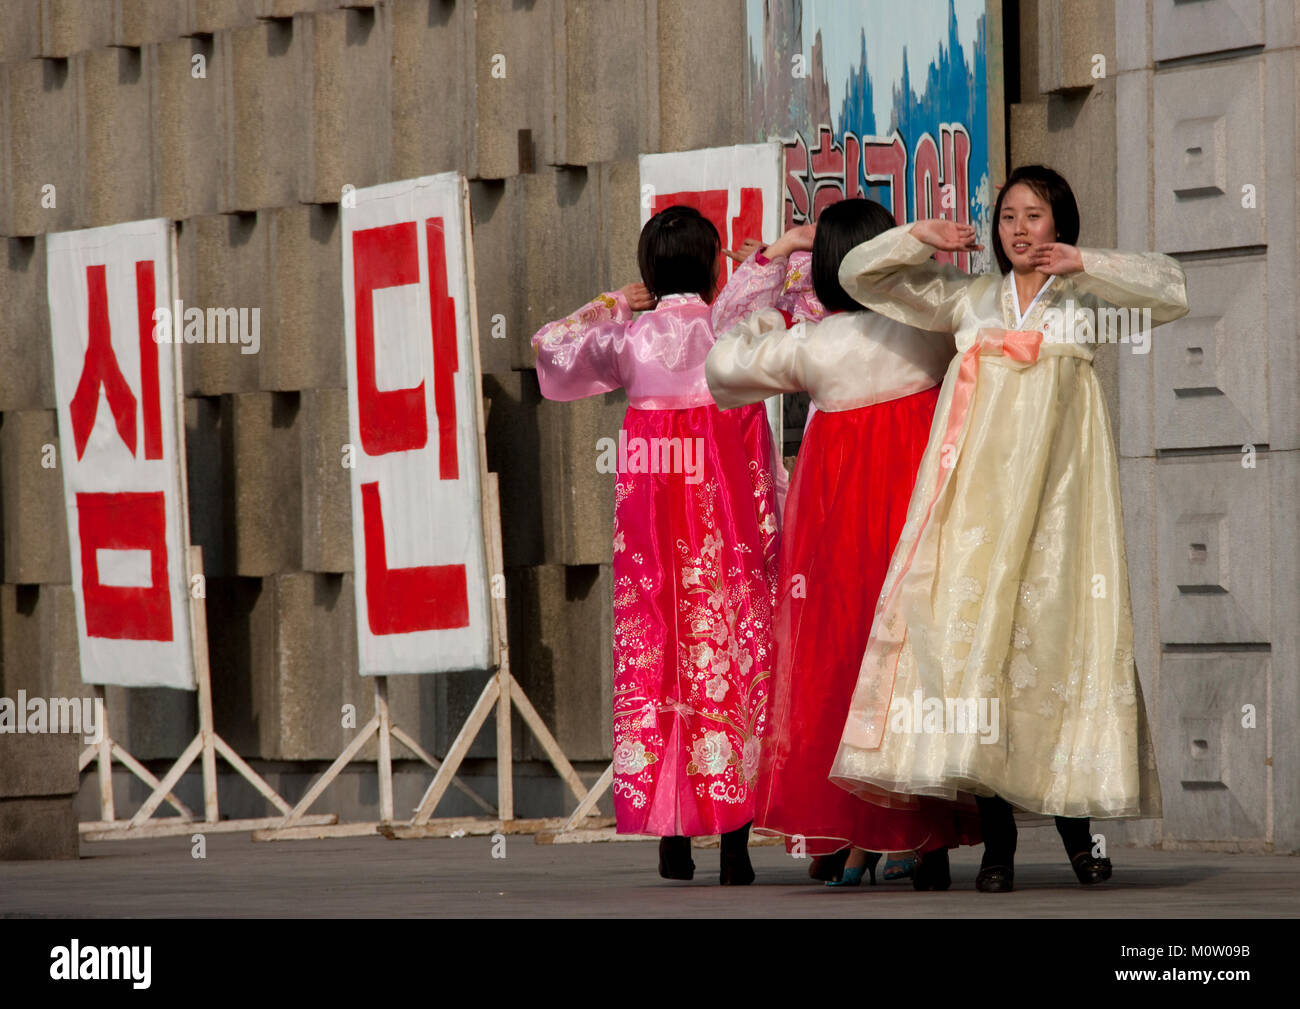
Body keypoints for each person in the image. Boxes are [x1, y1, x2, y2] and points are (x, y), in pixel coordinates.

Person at [828, 166, 1187, 891]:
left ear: (1062, 224)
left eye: (1036, 215)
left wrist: (1089, 262)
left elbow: (1171, 289)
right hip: (976, 516)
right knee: (980, 665)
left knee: (1055, 653)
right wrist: (917, 236)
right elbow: (860, 275)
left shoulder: (1086, 304)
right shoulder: (968, 301)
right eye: (1008, 217)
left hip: (1060, 517)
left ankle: (1081, 839)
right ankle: (997, 849)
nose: (1020, 229)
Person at [706, 199, 979, 890]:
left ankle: (849, 832)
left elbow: (724, 369)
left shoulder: (817, 345)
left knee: (843, 663)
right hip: (921, 508)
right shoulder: (929, 325)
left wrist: (770, 306)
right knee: (914, 662)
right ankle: (926, 836)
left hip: (836, 526)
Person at [530, 205, 780, 884]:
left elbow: (548, 344)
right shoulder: (731, 328)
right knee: (730, 662)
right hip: (722, 532)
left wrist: (609, 303)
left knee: (659, 664)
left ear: (648, 269)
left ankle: (670, 831)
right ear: (710, 264)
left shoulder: (632, 338)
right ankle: (735, 844)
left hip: (652, 535)